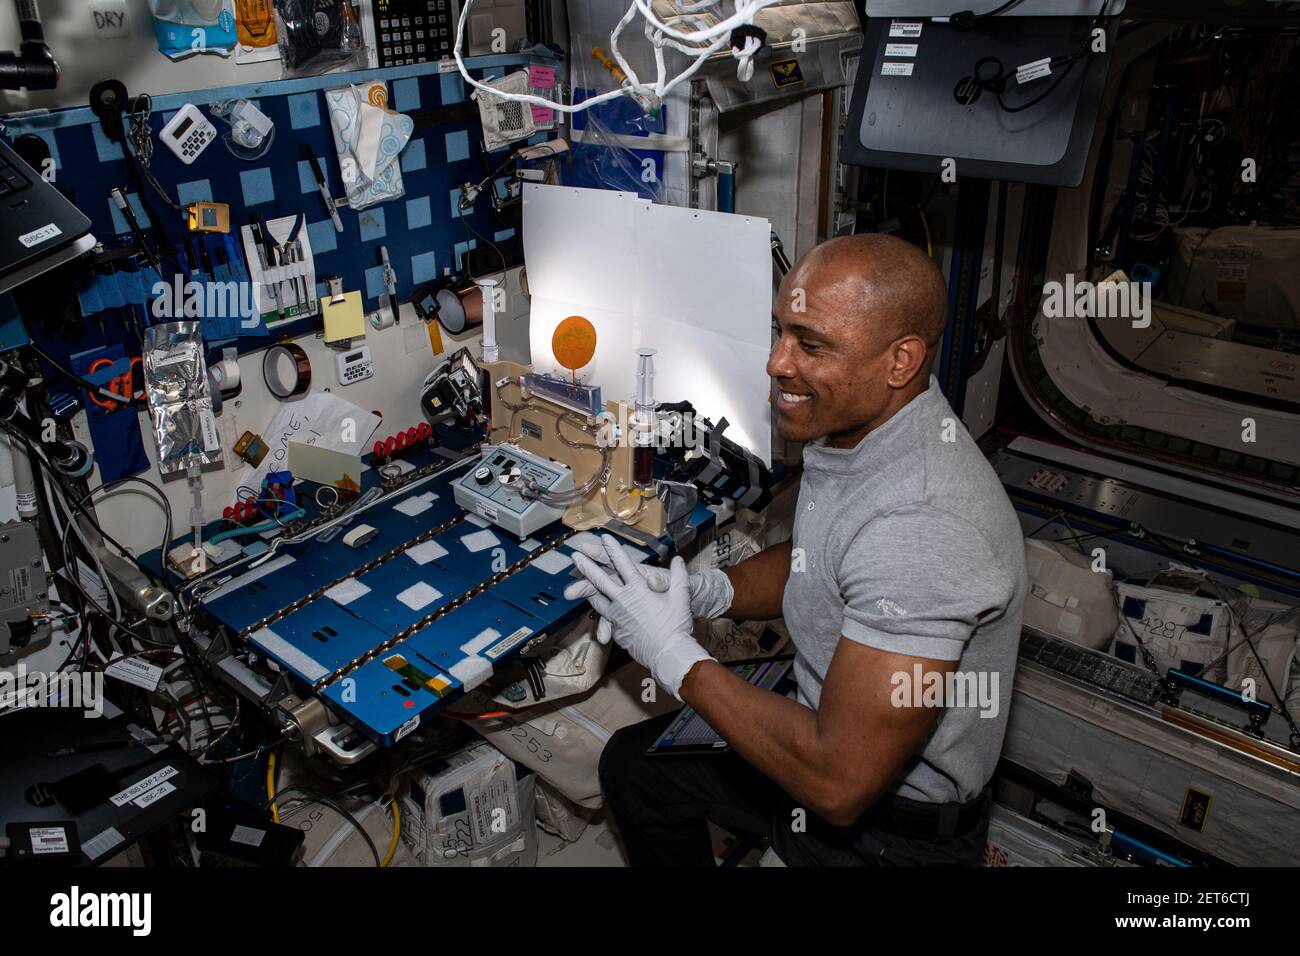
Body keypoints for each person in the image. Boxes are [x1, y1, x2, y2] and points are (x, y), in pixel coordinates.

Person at [565, 233, 1027, 866]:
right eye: (780, 331)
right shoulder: (871, 428)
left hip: (882, 827)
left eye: (810, 344)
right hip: (822, 726)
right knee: (636, 768)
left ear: (901, 361)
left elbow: (838, 784)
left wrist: (674, 656)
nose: (777, 362)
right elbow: (822, 555)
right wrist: (713, 591)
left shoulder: (923, 525)